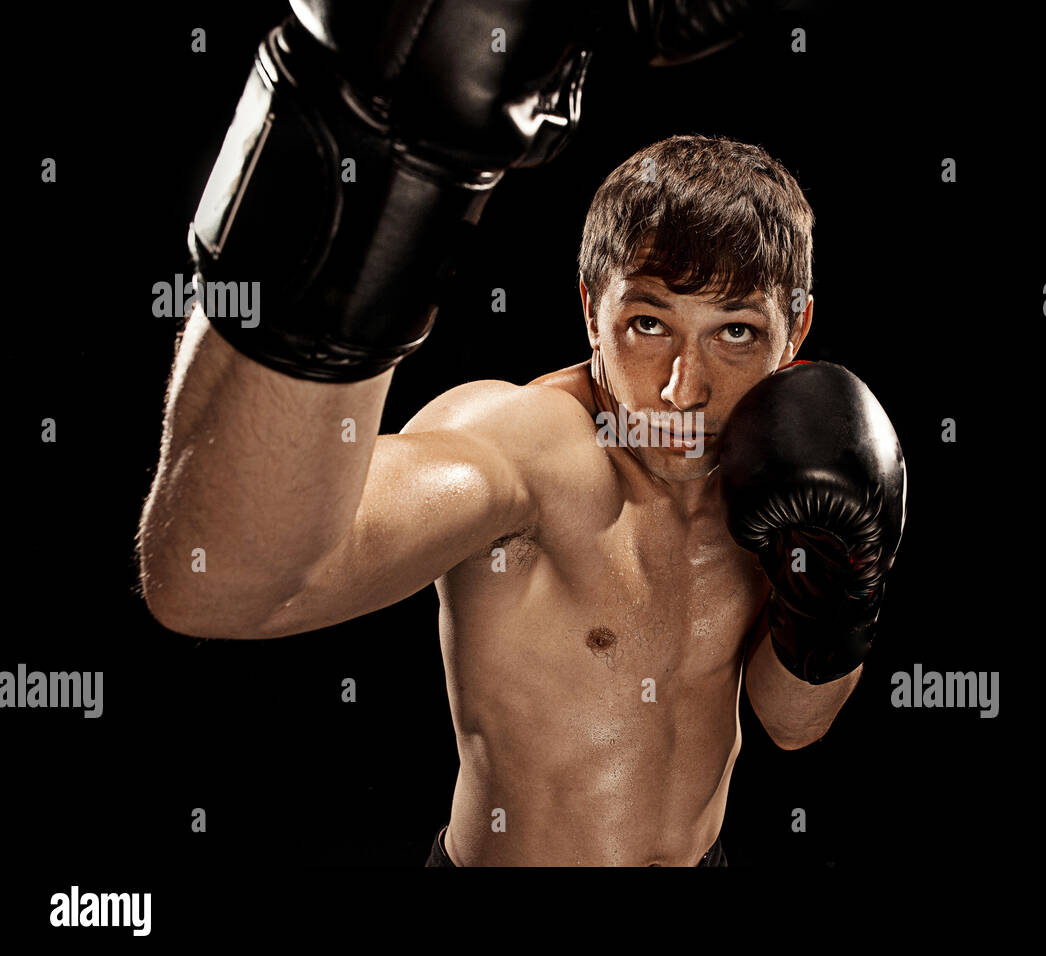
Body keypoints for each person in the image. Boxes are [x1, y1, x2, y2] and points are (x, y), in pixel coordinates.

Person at [138, 1, 906, 867]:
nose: (684, 390)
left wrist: (836, 596)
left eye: (734, 333)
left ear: (795, 333)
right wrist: (367, 163)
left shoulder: (780, 462)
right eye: (647, 324)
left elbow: (791, 725)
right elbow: (215, 586)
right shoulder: (533, 450)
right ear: (590, 310)